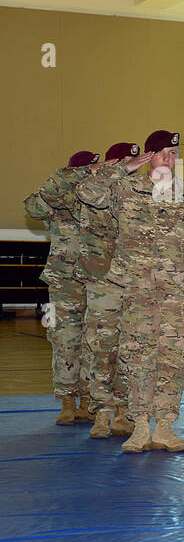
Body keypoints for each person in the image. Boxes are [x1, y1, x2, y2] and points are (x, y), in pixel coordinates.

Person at [80, 129, 184, 453]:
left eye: (174, 154)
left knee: (173, 359)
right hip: (138, 289)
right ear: (149, 157)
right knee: (139, 359)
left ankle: (165, 427)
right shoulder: (127, 188)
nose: (170, 159)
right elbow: (87, 192)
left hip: (175, 292)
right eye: (164, 153)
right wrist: (120, 168)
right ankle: (139, 427)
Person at [24, 151, 97, 425]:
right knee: (62, 341)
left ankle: (88, 401)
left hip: (93, 281)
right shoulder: (54, 200)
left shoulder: (97, 200)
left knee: (92, 343)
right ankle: (67, 401)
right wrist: (68, 176)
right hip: (61, 284)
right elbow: (33, 208)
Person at [77, 141, 139, 439]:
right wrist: (108, 171)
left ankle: (125, 413)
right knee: (101, 350)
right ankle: (101, 414)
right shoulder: (94, 187)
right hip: (103, 283)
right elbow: (88, 194)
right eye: (125, 161)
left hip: (132, 282)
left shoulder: (137, 192)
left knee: (129, 350)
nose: (131, 166)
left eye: (134, 161)